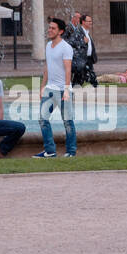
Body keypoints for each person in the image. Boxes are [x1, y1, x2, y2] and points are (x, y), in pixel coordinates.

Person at [35, 18, 75, 158]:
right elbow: (47, 67)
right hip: (50, 89)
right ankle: (50, 151)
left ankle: (71, 152)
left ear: (60, 31)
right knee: (42, 118)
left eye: (53, 28)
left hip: (63, 90)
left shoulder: (65, 47)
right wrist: (42, 86)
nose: (49, 30)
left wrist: (66, 90)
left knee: (67, 121)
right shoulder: (48, 46)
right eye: (49, 27)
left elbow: (68, 69)